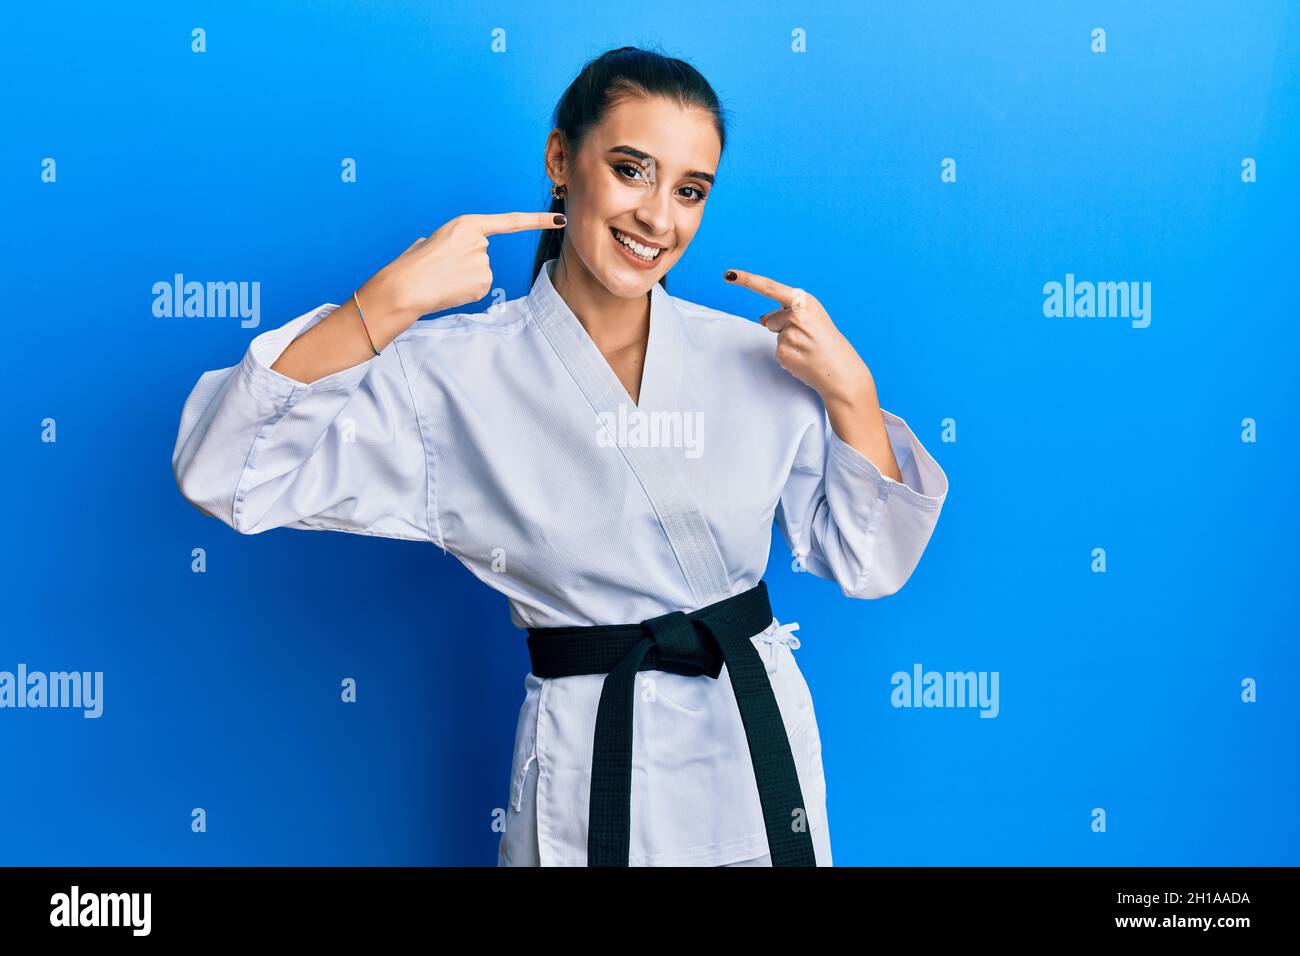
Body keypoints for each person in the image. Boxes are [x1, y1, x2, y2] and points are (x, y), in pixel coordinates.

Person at [171, 45, 949, 867]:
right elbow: (225, 473)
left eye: (689, 191)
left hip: (754, 755)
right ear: (559, 159)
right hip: (591, 771)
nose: (658, 218)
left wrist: (853, 395)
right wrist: (387, 300)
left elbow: (870, 562)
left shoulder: (753, 359)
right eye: (631, 169)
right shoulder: (451, 374)